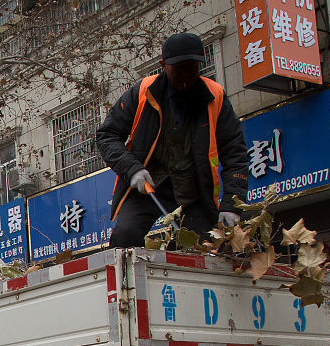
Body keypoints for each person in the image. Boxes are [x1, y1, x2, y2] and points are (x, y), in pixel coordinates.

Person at [96, 32, 251, 248]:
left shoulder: (216, 96)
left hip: (193, 191)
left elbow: (236, 154)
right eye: (179, 69)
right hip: (148, 187)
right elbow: (107, 135)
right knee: (124, 239)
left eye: (192, 68)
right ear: (163, 64)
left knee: (206, 249)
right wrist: (132, 170)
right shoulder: (143, 92)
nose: (186, 75)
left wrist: (231, 205)